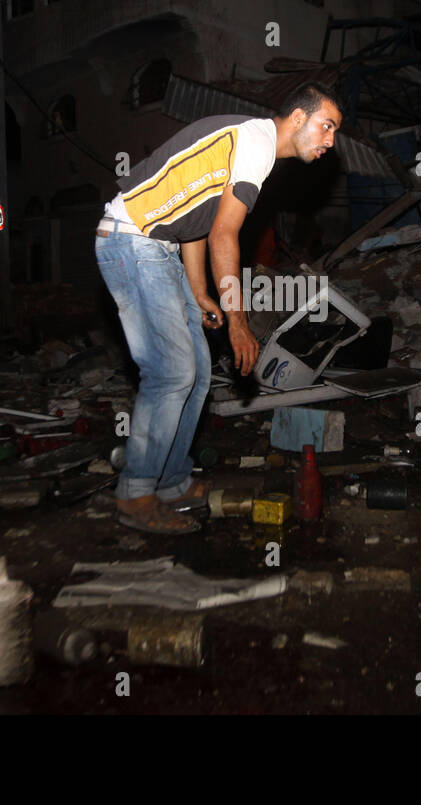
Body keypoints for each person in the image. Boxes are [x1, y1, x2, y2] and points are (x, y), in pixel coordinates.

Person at [94, 82, 342, 534]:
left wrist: (201, 291)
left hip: (160, 248)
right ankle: (135, 495)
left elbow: (198, 226)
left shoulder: (249, 146)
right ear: (299, 118)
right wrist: (238, 323)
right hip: (132, 241)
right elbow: (226, 236)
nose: (330, 140)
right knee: (171, 372)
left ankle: (171, 481)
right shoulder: (257, 143)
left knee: (199, 374)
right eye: (327, 127)